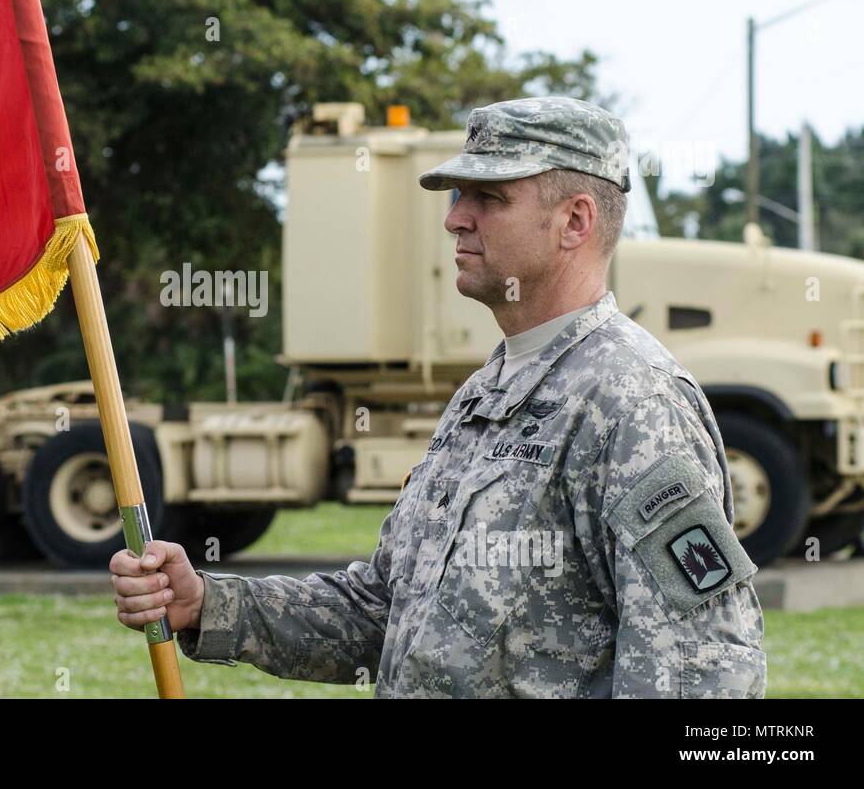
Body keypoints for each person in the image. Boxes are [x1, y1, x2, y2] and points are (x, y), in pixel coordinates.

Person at [111, 97, 766, 698]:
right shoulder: (484, 394)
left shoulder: (632, 402)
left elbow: (701, 666)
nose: (455, 217)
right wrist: (209, 606)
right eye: (458, 194)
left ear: (575, 220)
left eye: (488, 197)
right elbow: (384, 611)